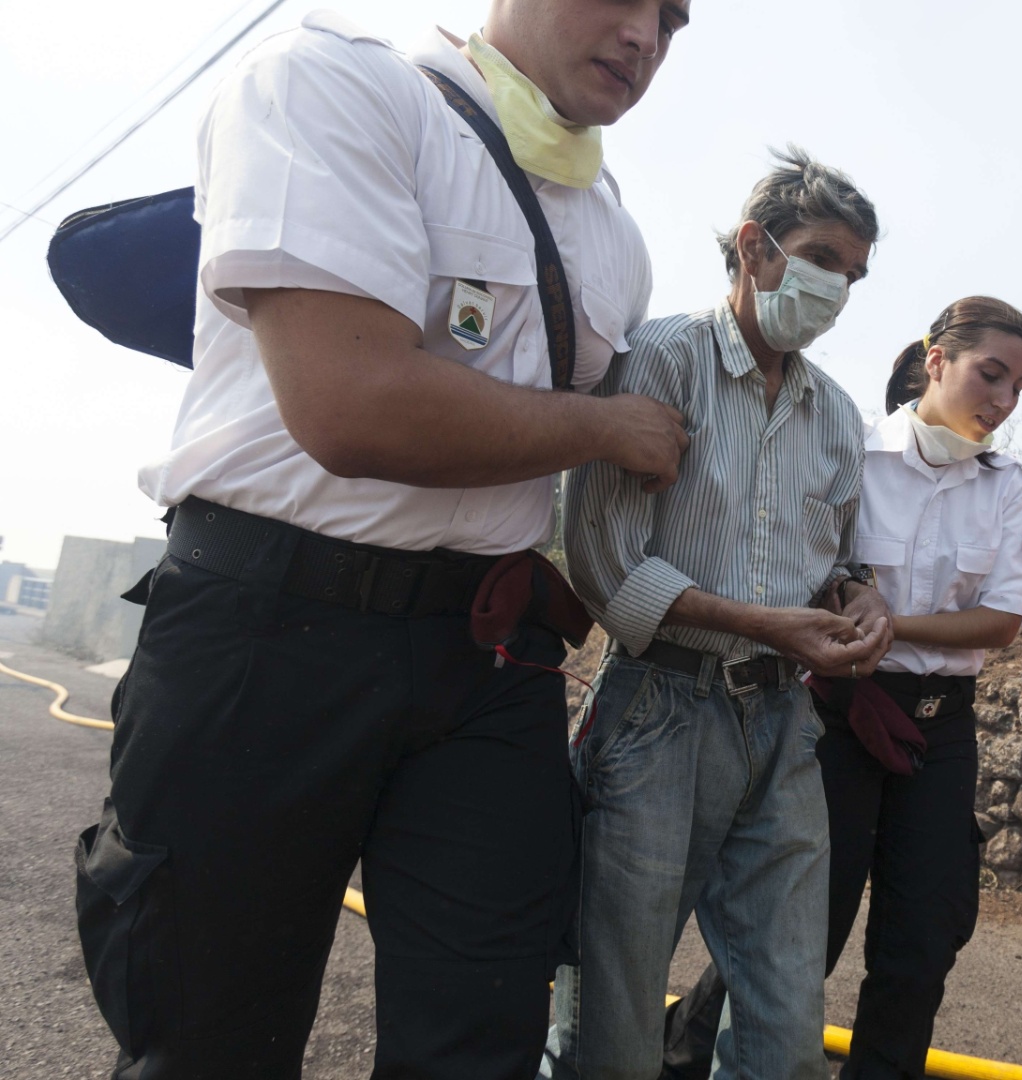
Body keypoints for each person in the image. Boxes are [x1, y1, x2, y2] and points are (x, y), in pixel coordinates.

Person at [74, 3, 693, 1078]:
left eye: (674, 21)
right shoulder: (335, 88)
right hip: (265, 636)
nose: (645, 36)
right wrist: (604, 427)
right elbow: (350, 406)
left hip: (483, 663)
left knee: (480, 1039)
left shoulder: (613, 233)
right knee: (209, 1038)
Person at [547, 148, 891, 1080]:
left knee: (784, 1021)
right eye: (821, 258)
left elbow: (837, 561)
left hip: (782, 722)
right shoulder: (662, 358)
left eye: (852, 275)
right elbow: (608, 565)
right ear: (755, 246)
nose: (836, 287)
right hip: (661, 712)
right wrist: (763, 624)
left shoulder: (836, 412)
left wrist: (856, 602)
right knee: (612, 1022)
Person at [659, 297, 1022, 1080]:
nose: (1003, 401)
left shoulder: (1008, 486)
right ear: (937, 360)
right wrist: (856, 622)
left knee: (922, 941)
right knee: (804, 930)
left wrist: (886, 625)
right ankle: (680, 1058)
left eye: (1021, 386)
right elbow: (808, 574)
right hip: (837, 717)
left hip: (940, 730)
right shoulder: (850, 453)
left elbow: (1002, 620)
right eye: (991, 375)